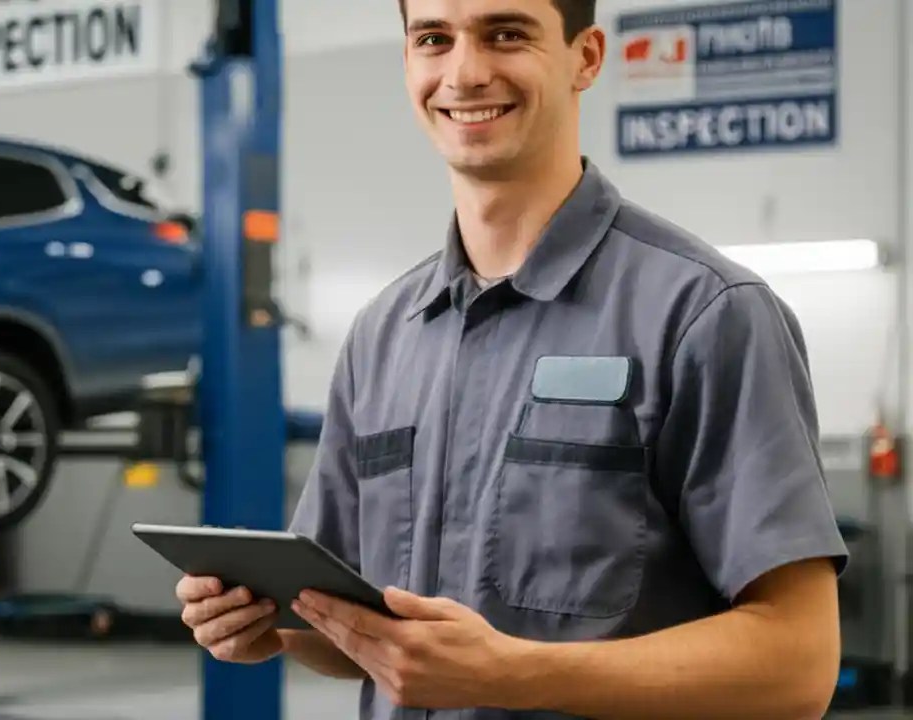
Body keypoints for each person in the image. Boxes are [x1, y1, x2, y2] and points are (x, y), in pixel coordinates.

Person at [175, 0, 849, 718]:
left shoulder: (705, 315)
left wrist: (515, 674)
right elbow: (359, 629)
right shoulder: (383, 336)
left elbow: (798, 665)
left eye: (505, 34)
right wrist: (270, 621)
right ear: (407, 61)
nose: (464, 73)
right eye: (434, 39)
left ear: (586, 57)